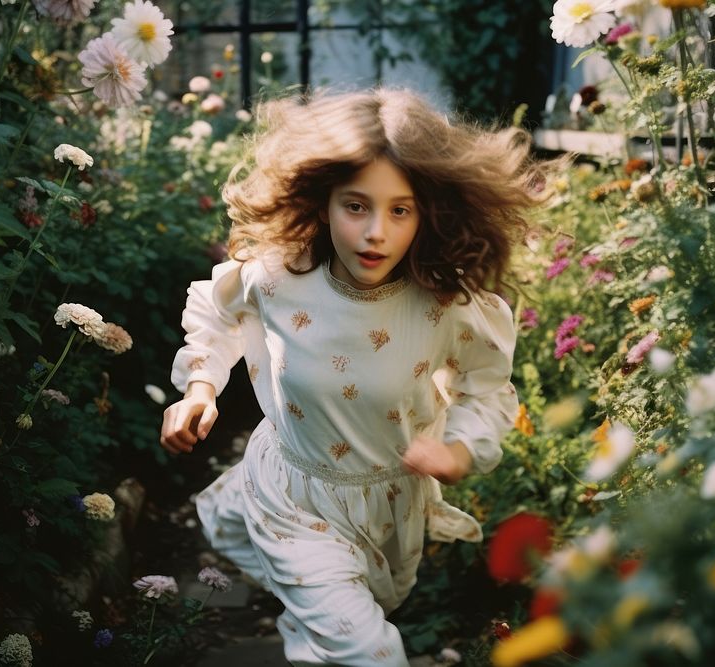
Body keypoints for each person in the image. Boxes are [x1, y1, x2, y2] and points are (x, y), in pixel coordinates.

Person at [161, 88, 546, 666]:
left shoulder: (448, 306)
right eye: (356, 206)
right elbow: (217, 311)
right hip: (289, 494)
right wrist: (200, 387)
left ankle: (312, 626)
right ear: (324, 203)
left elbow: (485, 389)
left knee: (345, 628)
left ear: (426, 212)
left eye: (400, 210)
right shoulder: (276, 279)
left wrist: (461, 451)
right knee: (367, 648)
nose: (376, 233)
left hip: (392, 505)